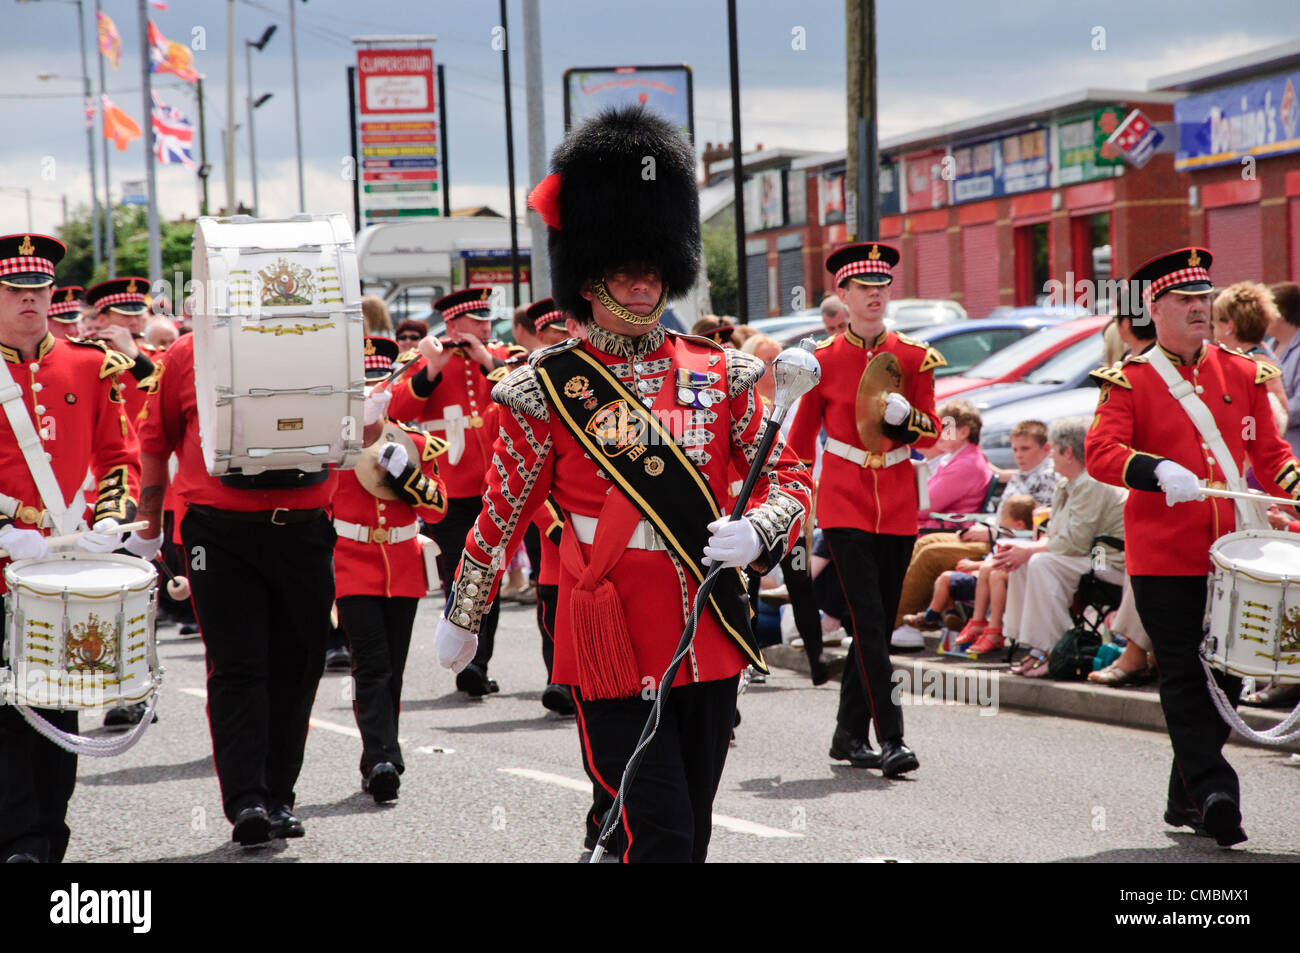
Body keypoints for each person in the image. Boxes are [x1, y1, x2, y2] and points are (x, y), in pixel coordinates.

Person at [433, 106, 812, 862]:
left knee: (692, 828)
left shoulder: (722, 372)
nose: (643, 285)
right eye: (626, 271)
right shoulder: (545, 389)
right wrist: (466, 609)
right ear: (589, 275)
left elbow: (792, 480)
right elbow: (502, 513)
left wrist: (762, 527)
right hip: (607, 633)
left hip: (708, 629)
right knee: (660, 832)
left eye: (653, 270)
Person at [1086, 247, 1300, 847]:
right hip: (1163, 554)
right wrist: (1152, 469)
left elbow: (1272, 458)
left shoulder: (1244, 372)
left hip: (1236, 550)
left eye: (1204, 299)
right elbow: (1103, 452)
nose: (1199, 309)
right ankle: (1215, 791)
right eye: (1185, 301)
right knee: (1182, 672)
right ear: (1155, 309)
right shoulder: (1129, 380)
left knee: (1229, 672)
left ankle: (1185, 797)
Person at [129, 322, 346, 847]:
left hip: (304, 530)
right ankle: (247, 798)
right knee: (238, 664)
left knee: (299, 664)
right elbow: (155, 443)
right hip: (219, 536)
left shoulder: (329, 339)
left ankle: (279, 796)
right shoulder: (187, 352)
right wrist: (150, 531)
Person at [0, 234, 140, 863]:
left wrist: (110, 519)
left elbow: (120, 458)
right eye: (13, 291)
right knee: (7, 704)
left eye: (38, 290)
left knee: (61, 705)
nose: (29, 301)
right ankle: (19, 840)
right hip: (2, 563)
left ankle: (49, 838)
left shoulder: (91, 364)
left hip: (67, 564)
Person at [788, 240, 944, 777]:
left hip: (898, 500)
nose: (875, 296)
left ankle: (848, 733)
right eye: (864, 288)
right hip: (843, 501)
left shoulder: (914, 356)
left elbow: (932, 433)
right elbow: (799, 442)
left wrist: (910, 420)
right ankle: (893, 738)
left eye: (881, 287)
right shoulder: (821, 361)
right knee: (871, 621)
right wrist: (790, 506)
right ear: (843, 294)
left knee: (873, 622)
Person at [387, 288, 526, 696]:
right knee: (457, 576)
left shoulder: (500, 354)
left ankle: (477, 664)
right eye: (476, 319)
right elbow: (395, 412)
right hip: (448, 492)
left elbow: (523, 394)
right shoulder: (424, 359)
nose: (486, 325)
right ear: (452, 324)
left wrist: (487, 361)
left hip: (494, 487)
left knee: (490, 575)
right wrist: (430, 371)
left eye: (487, 318)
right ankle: (463, 656)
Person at [332, 337, 449, 802]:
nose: (369, 393)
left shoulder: (414, 442)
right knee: (372, 664)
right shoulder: (328, 445)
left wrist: (411, 477)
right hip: (351, 565)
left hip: (402, 565)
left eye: (376, 384)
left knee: (393, 668)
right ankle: (384, 756)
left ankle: (376, 758)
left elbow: (439, 508)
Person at [894, 419, 1057, 636]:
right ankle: (904, 618)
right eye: (1015, 449)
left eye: (1025, 449)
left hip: (1009, 546)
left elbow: (1039, 530)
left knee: (931, 553)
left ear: (1046, 449)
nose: (1019, 455)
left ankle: (896, 621)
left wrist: (991, 532)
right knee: (926, 542)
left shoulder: (1049, 479)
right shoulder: (1020, 475)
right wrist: (986, 527)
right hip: (990, 534)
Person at [989, 416, 1126, 670]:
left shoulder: (1091, 482)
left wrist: (1030, 549)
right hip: (1086, 554)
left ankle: (1054, 649)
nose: (1050, 455)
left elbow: (1076, 541)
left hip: (1108, 560)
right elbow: (1055, 534)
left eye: (1053, 449)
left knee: (1041, 562)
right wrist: (1024, 550)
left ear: (1069, 452)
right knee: (1019, 561)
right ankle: (1032, 644)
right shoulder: (1066, 483)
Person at [1212, 281, 1287, 435]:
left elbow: (1269, 423)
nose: (1212, 326)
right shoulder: (1261, 357)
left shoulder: (1253, 366)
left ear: (1229, 327)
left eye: (1215, 322)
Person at [918, 399, 991, 529]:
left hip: (944, 532)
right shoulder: (958, 458)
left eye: (944, 427)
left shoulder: (966, 464)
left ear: (964, 432)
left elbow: (923, 507)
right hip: (935, 528)